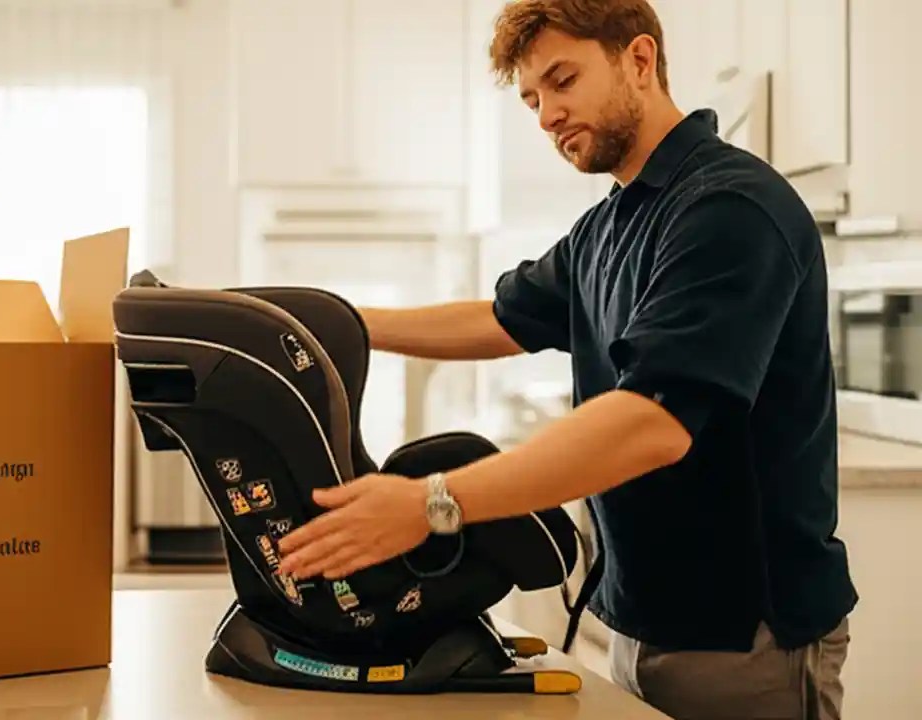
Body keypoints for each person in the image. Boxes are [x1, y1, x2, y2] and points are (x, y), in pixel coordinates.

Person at [276, 0, 857, 717]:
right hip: (647, 620)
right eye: (532, 100)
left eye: (563, 81)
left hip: (746, 635)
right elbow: (498, 319)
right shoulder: (611, 223)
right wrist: (335, 327)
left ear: (638, 61)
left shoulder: (729, 209)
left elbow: (652, 423)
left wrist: (431, 504)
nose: (548, 116)